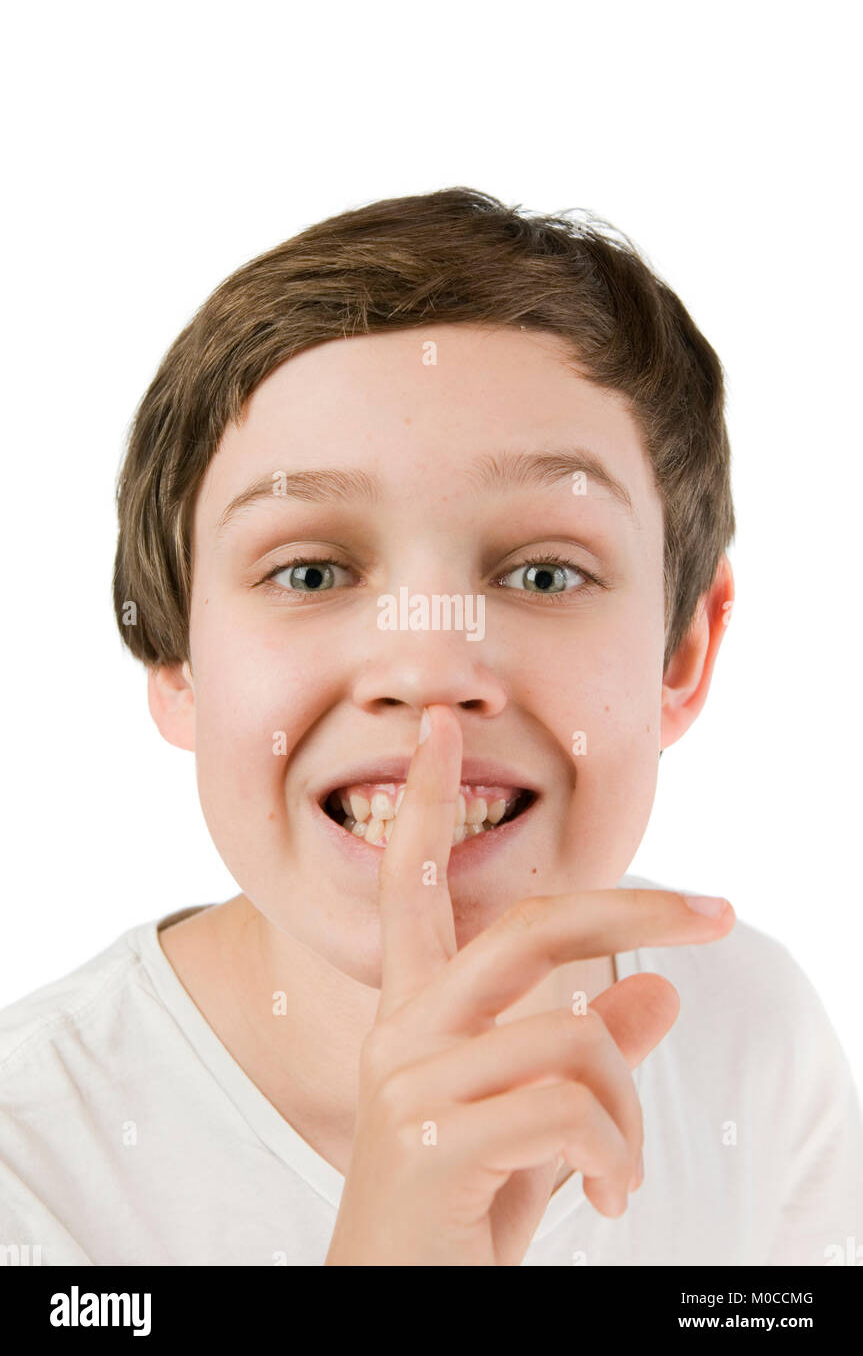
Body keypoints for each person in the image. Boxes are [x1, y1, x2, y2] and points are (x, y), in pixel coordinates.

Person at [1, 188, 860, 1267]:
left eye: (545, 571)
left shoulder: (753, 1036)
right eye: (308, 570)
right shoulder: (29, 1173)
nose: (428, 667)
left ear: (680, 656)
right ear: (176, 660)